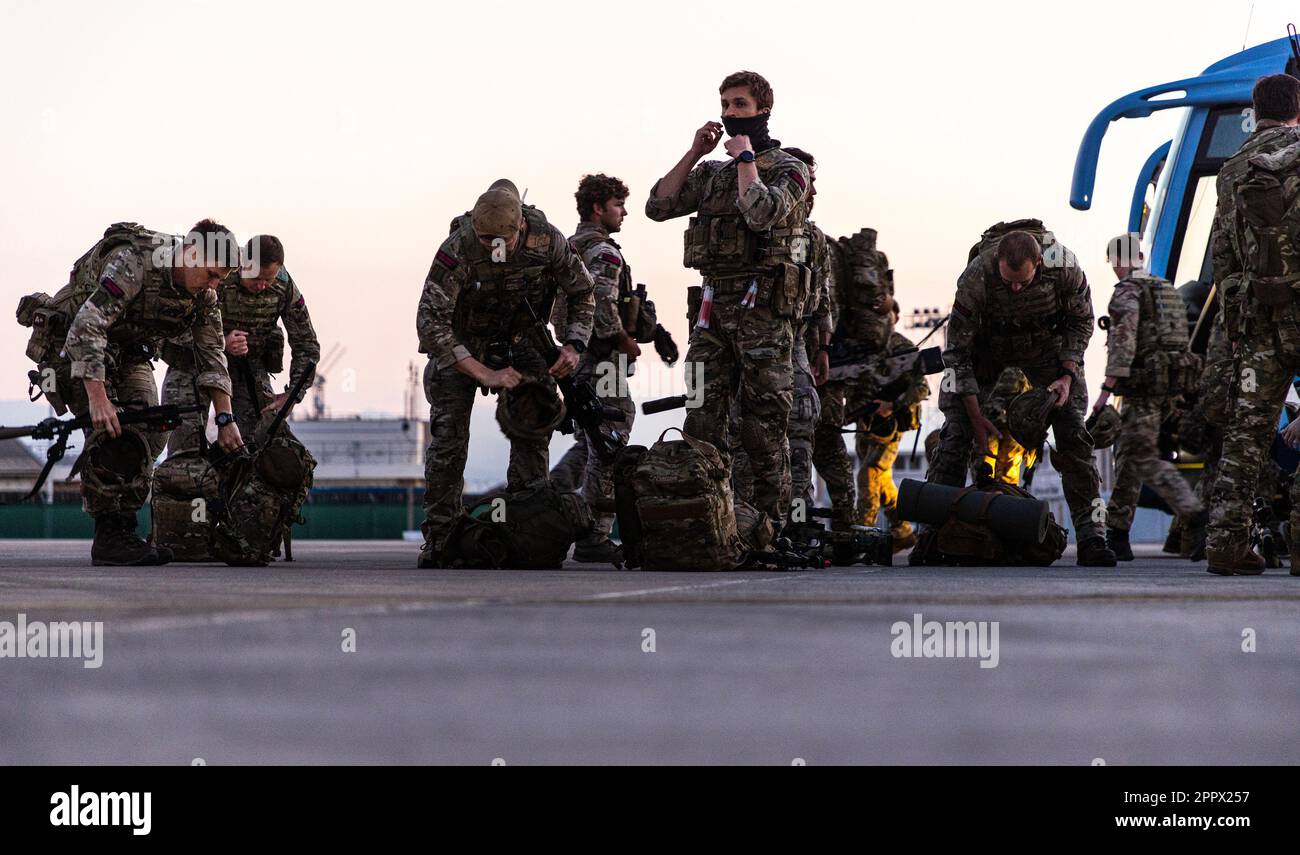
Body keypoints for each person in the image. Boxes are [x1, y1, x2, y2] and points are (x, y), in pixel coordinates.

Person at [645, 70, 812, 525]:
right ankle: (709, 519)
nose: (729, 113)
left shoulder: (790, 170)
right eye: (724, 105)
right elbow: (658, 206)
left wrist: (746, 159)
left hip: (763, 313)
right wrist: (695, 152)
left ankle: (773, 525)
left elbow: (760, 213)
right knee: (701, 416)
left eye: (739, 105)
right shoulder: (712, 174)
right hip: (711, 313)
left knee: (763, 426)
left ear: (762, 109)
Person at [32, 220, 242, 565]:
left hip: (129, 351)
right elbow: (87, 327)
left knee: (152, 431)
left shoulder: (204, 296)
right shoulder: (136, 262)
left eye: (220, 278)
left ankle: (126, 531)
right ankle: (111, 535)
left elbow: (212, 355)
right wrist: (99, 399)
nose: (214, 285)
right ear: (191, 254)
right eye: (211, 274)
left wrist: (225, 418)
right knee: (115, 432)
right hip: (76, 347)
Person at [416, 179, 595, 568]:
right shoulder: (458, 247)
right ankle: (441, 537)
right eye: (484, 240)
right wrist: (483, 373)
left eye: (501, 240)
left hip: (523, 340)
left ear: (520, 229)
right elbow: (431, 324)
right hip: (464, 344)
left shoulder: (548, 241)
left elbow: (583, 292)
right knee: (448, 437)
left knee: (534, 428)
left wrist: (574, 344)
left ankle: (527, 529)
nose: (493, 247)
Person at [926, 220, 1116, 566]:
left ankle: (1093, 537)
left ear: (1039, 265)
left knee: (1075, 439)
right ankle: (932, 536)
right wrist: (974, 416)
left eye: (1022, 282)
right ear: (997, 264)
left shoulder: (1065, 266)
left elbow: (1082, 321)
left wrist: (1067, 376)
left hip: (1048, 350)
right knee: (955, 438)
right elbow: (956, 352)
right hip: (988, 350)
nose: (1014, 289)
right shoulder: (977, 275)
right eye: (1007, 281)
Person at [552, 174, 677, 564]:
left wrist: (653, 332)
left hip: (578, 356)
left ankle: (558, 494)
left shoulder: (571, 246)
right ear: (598, 208)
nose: (624, 213)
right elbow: (603, 303)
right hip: (602, 356)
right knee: (611, 434)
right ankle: (594, 535)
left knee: (591, 436)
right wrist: (623, 339)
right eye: (618, 205)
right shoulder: (604, 252)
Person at [1206, 73, 1300, 574]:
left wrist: (1234, 320)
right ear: (1296, 109)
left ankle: (1224, 545)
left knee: (1247, 432)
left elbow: (1224, 255)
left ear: (1255, 109)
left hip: (1259, 316)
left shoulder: (1233, 169)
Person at [1091, 233, 1205, 561]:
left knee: (1137, 457)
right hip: (1171, 385)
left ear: (1117, 260)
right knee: (1134, 456)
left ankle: (1192, 515)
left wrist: (1106, 391)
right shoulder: (1165, 288)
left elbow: (1123, 342)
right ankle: (1119, 532)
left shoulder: (1128, 291)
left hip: (1143, 387)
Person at [161, 234, 320, 452]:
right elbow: (171, 327)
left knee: (258, 448)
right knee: (185, 449)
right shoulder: (215, 274)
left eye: (269, 279)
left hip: (248, 369)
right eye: (256, 278)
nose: (262, 285)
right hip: (195, 364)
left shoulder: (284, 285)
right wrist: (221, 343)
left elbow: (307, 344)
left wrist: (293, 395)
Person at [854, 301, 926, 550]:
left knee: (869, 473)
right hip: (867, 423)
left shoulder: (902, 347)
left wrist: (892, 405)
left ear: (895, 317)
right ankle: (903, 531)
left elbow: (921, 387)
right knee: (880, 479)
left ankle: (864, 535)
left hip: (891, 425)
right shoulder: (863, 346)